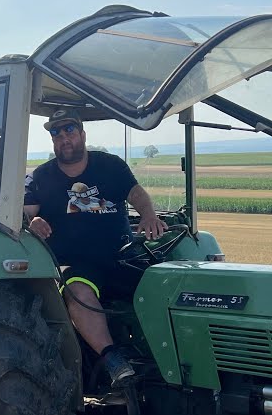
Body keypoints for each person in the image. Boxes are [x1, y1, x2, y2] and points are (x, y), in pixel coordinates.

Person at [23, 108, 167, 387]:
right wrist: (34, 221)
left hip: (123, 255)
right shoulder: (41, 176)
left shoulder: (110, 166)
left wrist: (149, 214)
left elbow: (136, 194)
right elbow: (28, 213)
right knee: (77, 292)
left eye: (69, 130)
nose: (63, 137)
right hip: (79, 264)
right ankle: (113, 360)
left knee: (166, 283)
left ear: (82, 134)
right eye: (56, 133)